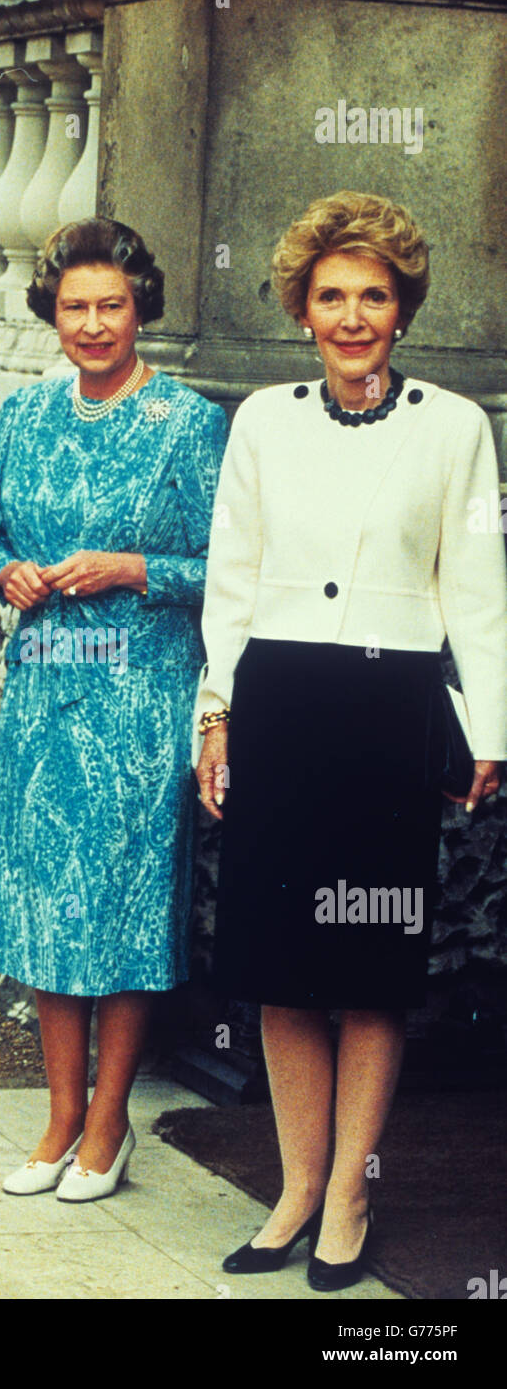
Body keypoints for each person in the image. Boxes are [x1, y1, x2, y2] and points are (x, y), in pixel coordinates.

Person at [194, 190, 507, 1290]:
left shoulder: (454, 426)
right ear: (301, 307)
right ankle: (290, 1186)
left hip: (389, 712)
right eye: (329, 294)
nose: (350, 315)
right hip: (279, 702)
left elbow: (476, 592)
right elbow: (229, 581)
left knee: (368, 969)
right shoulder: (261, 422)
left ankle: (348, 1192)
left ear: (402, 305)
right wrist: (215, 713)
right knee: (282, 970)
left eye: (371, 294)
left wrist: (489, 729)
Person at [0, 217, 227, 1201]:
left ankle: (109, 1120)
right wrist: (8, 571)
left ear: (139, 307)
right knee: (43, 893)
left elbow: (227, 567)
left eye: (109, 306)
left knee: (119, 900)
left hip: (141, 687)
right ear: (52, 310)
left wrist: (132, 567)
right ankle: (55, 1114)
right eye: (74, 306)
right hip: (45, 684)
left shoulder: (189, 424)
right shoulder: (27, 415)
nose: (91, 324)